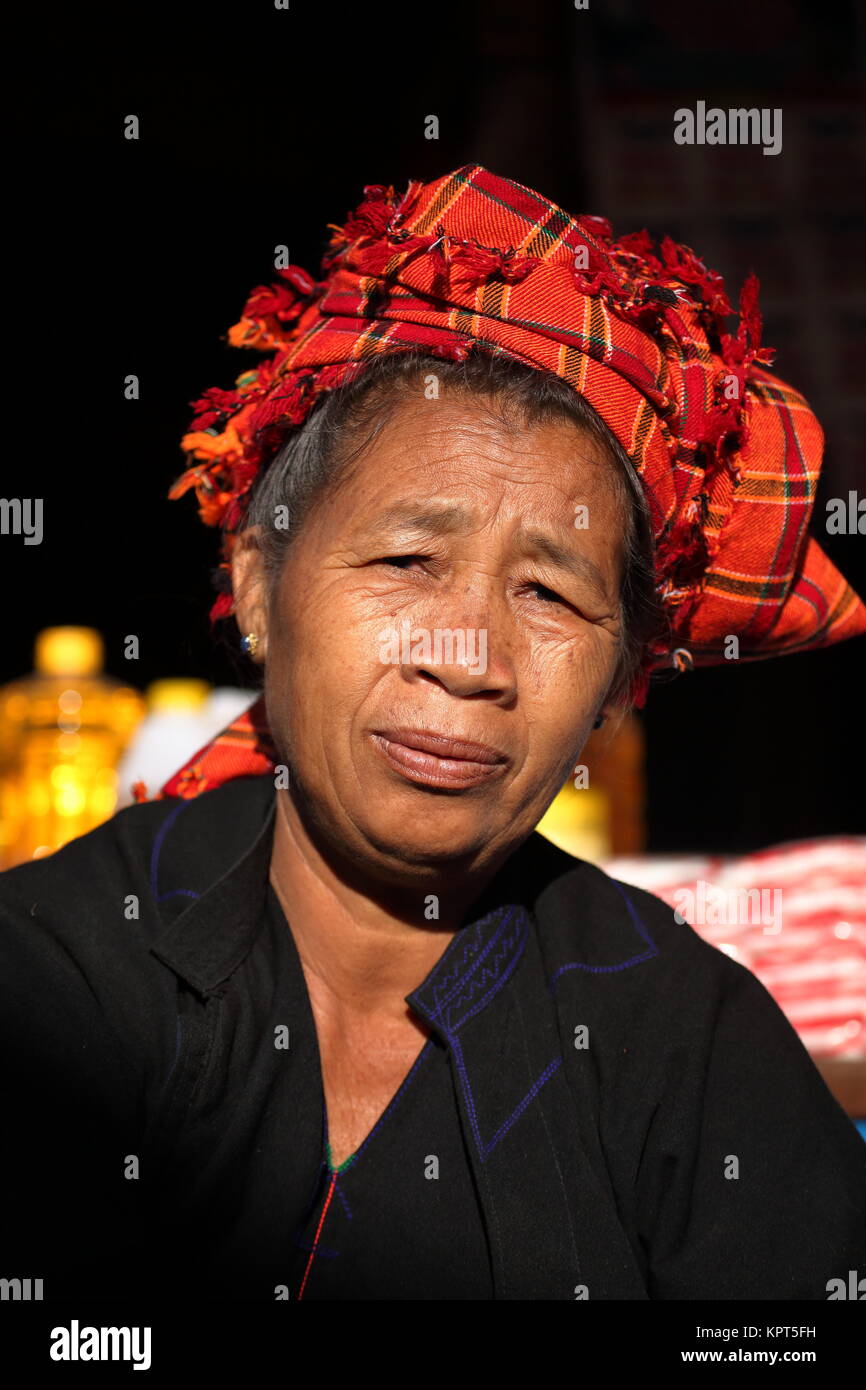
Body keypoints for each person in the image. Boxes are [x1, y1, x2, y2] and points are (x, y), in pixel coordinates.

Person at [2, 166, 865, 1302]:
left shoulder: (689, 1050)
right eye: (407, 561)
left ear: (617, 684)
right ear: (257, 583)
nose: (468, 659)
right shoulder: (56, 980)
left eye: (550, 597)